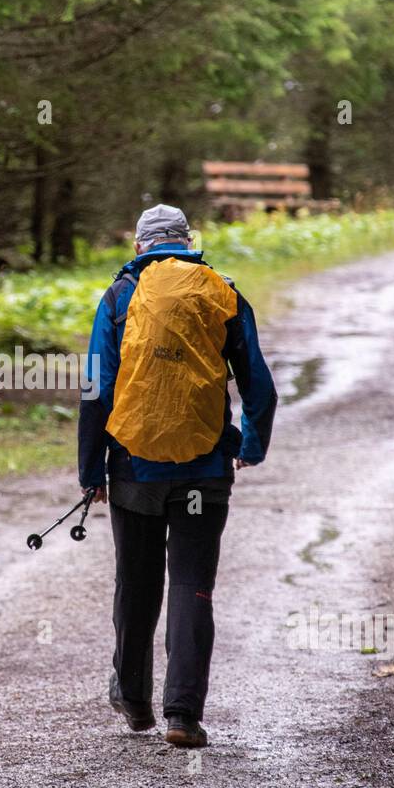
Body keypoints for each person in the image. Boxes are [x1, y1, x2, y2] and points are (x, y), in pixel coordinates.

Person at [78, 203, 278, 748]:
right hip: (204, 472)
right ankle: (182, 716)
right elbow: (257, 381)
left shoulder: (120, 296)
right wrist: (251, 446)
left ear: (140, 246)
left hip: (134, 472)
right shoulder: (222, 291)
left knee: (136, 584)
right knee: (192, 586)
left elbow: (95, 388)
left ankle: (135, 702)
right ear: (189, 242)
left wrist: (90, 470)